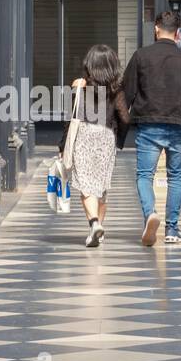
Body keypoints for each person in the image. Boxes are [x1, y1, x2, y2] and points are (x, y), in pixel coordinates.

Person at [122, 10, 181, 246]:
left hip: (148, 125)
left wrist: (119, 126)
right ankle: (172, 229)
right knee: (176, 177)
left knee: (144, 176)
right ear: (178, 33)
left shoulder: (141, 56)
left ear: (156, 29)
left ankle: (150, 213)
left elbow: (126, 93)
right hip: (179, 125)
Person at [61, 44, 129, 248]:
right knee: (101, 188)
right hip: (106, 138)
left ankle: (94, 223)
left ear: (89, 64)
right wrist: (119, 139)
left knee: (85, 186)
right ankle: (98, 228)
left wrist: (62, 144)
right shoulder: (116, 90)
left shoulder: (80, 85)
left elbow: (70, 118)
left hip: (84, 136)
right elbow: (125, 117)